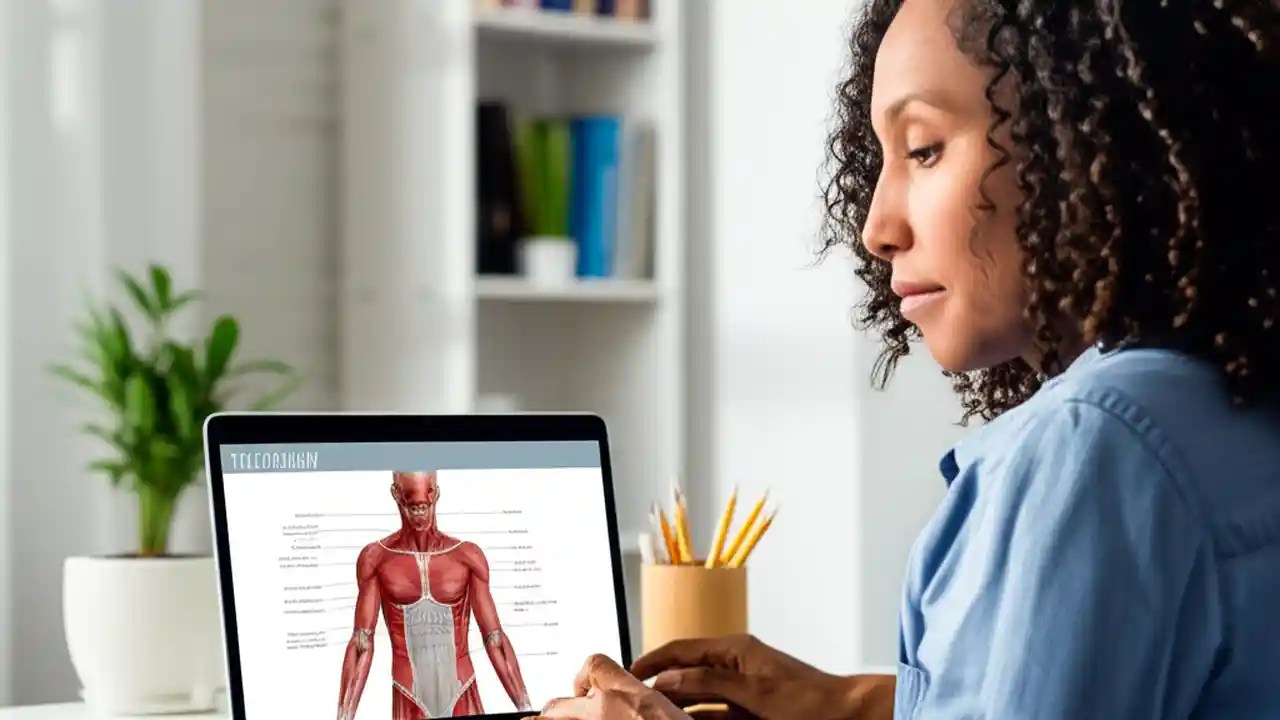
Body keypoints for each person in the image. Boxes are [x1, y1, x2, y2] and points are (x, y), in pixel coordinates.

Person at [535, 0, 1280, 717]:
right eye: (881, 158)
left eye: (923, 149)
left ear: (1091, 146)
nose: (875, 227)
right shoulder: (1218, 402)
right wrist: (856, 704)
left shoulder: (1095, 444)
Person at [337, 470, 532, 719]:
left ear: (436, 493)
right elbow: (362, 643)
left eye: (427, 498)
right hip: (409, 697)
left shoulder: (466, 556)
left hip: (462, 692)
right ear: (395, 493)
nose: (421, 507)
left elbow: (494, 638)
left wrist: (527, 709)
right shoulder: (376, 558)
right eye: (413, 503)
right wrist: (343, 716)